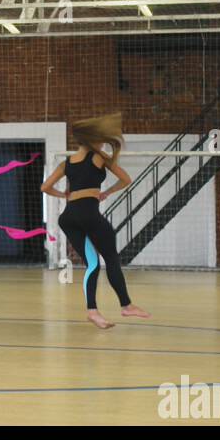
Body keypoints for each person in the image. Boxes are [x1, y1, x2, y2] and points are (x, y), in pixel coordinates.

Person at [41, 112, 150, 329]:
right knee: (111, 258)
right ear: (92, 139)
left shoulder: (67, 163)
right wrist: (107, 192)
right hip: (88, 214)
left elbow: (45, 187)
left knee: (93, 263)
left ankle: (93, 311)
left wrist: (64, 195)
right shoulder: (98, 157)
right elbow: (126, 179)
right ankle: (126, 306)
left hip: (69, 217)